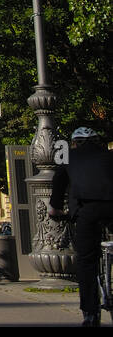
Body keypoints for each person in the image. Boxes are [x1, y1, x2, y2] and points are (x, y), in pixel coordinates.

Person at [48, 127, 113, 326]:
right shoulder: (109, 156)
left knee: (86, 262)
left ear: (74, 143)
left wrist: (56, 210)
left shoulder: (68, 157)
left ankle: (90, 313)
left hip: (86, 211)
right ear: (98, 141)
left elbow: (58, 185)